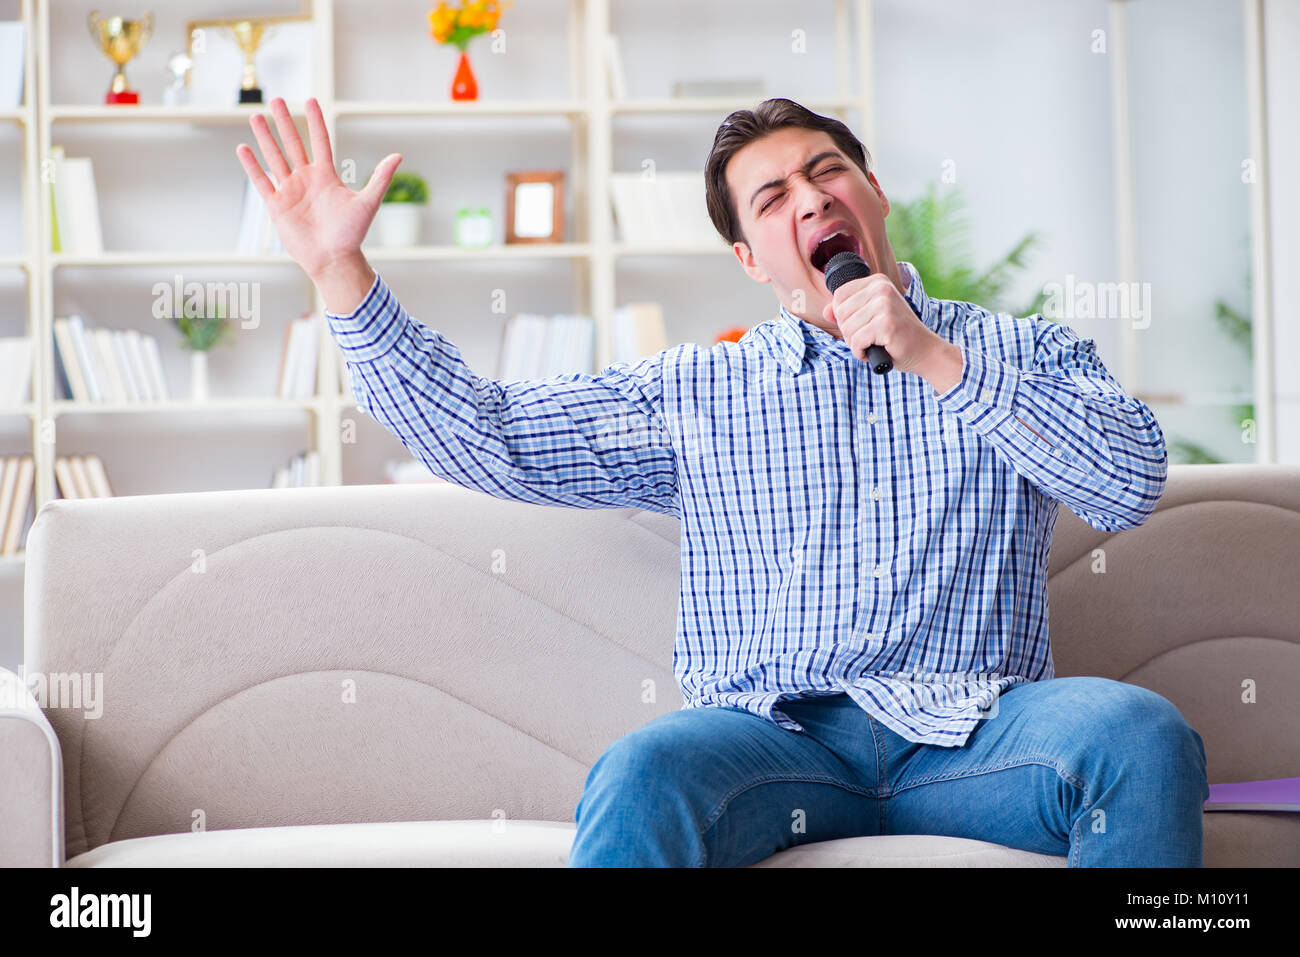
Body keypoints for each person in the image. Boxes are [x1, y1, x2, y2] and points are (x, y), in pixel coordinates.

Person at [236, 95, 1209, 868]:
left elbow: (1127, 481)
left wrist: (931, 355)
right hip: (776, 746)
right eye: (773, 196)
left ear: (872, 192)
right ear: (749, 258)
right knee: (644, 770)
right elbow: (488, 434)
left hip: (977, 736)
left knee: (1135, 733)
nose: (811, 199)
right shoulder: (702, 388)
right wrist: (340, 273)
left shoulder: (1013, 350)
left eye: (826, 172)